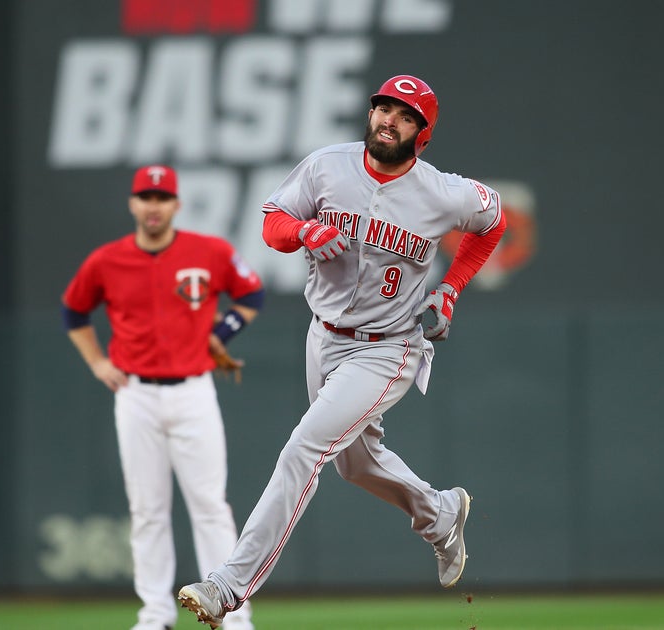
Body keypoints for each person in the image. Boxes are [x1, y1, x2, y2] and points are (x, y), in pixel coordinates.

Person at [178, 74, 507, 628]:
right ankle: (440, 512)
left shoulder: (443, 192)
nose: (388, 120)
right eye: (383, 108)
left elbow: (493, 219)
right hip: (324, 336)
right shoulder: (327, 164)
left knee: (304, 448)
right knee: (355, 464)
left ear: (422, 135)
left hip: (389, 347)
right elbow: (273, 222)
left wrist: (451, 287)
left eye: (405, 116)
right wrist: (305, 231)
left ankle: (229, 585)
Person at [62, 165, 262, 630]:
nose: (153, 205)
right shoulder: (106, 260)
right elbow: (73, 312)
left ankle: (233, 613)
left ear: (176, 204)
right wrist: (96, 362)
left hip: (193, 390)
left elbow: (252, 292)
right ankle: (155, 615)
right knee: (147, 508)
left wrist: (222, 332)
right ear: (133, 204)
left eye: (162, 197)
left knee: (210, 505)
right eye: (146, 197)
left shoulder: (209, 251)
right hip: (136, 393)